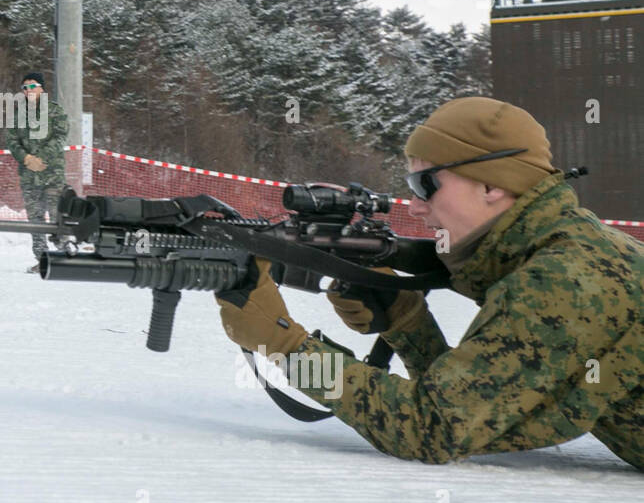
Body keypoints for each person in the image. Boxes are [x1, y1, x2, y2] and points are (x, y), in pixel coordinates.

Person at [215, 97, 644, 470]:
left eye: (426, 185)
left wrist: (285, 346)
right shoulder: (574, 247)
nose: (417, 207)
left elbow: (431, 428)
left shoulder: (567, 279)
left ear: (493, 185)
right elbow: (477, 406)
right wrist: (407, 322)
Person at [4, 71, 70, 272]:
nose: (28, 90)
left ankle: (66, 254)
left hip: (51, 173)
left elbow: (60, 137)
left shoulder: (55, 111)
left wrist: (40, 158)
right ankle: (42, 258)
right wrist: (26, 158)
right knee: (35, 218)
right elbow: (12, 141)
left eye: (32, 86)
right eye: (25, 87)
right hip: (29, 175)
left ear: (42, 88)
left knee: (57, 215)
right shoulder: (18, 115)